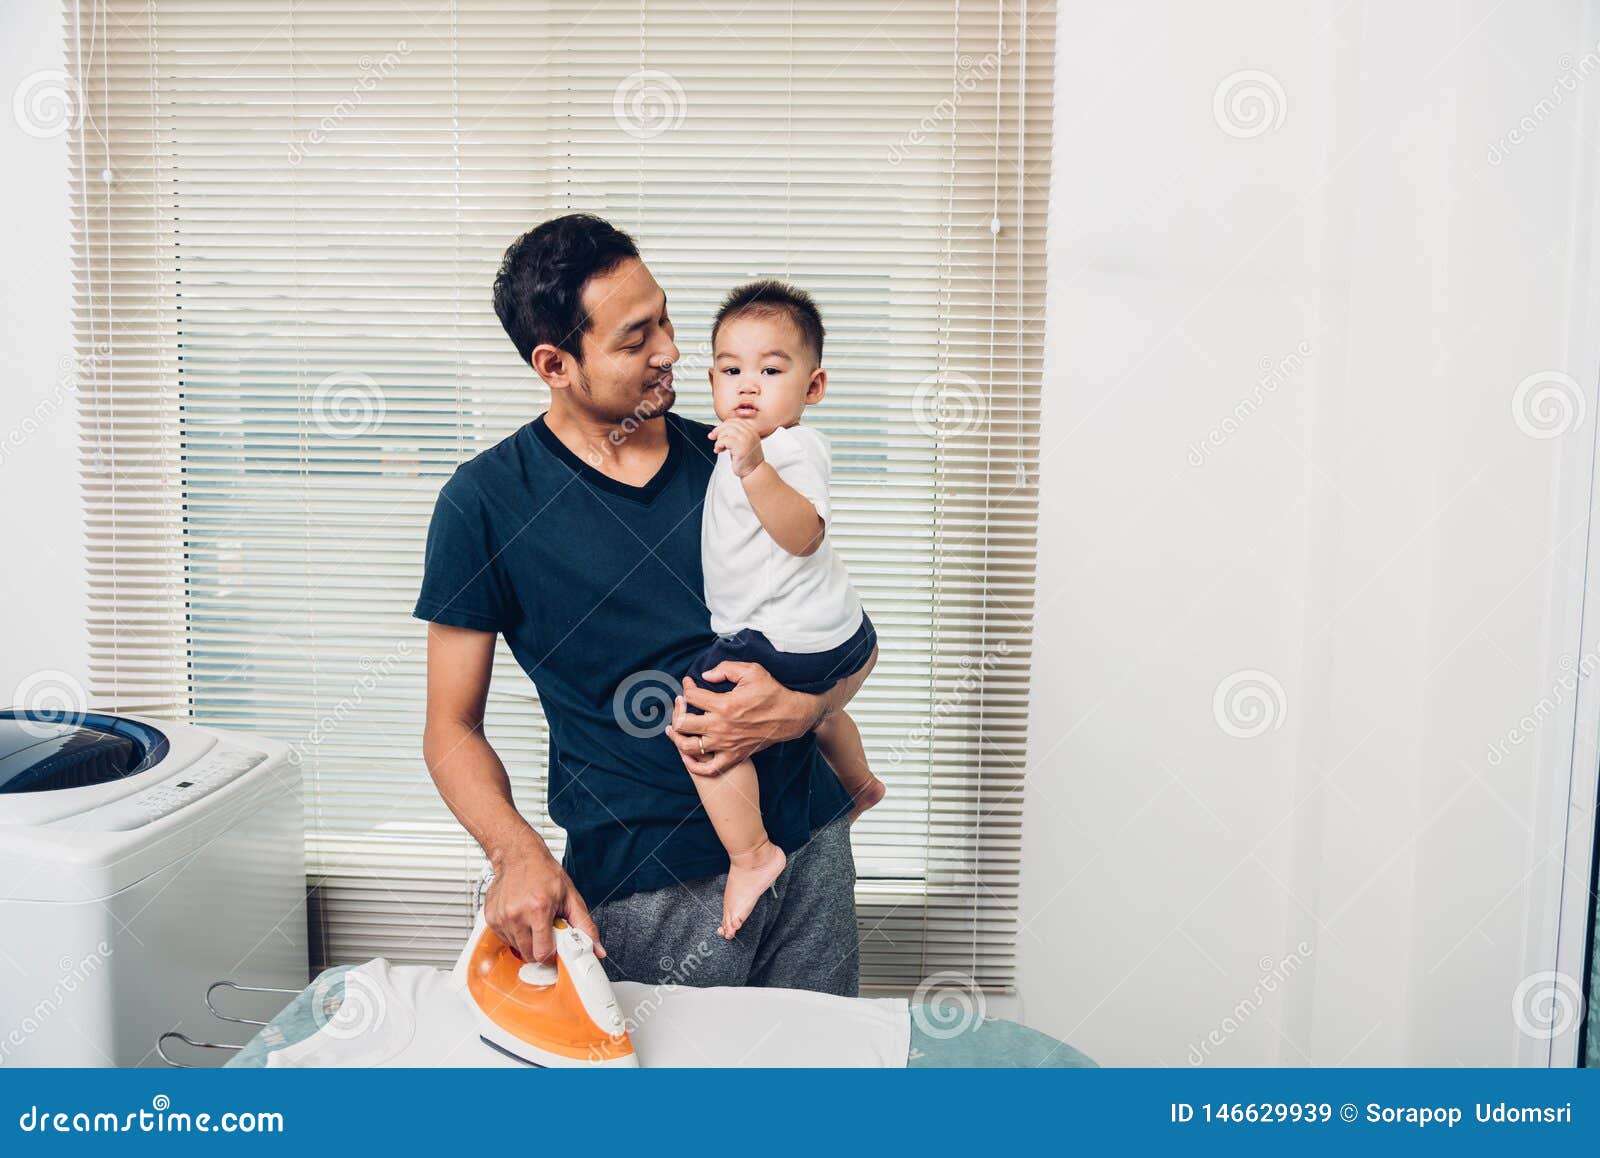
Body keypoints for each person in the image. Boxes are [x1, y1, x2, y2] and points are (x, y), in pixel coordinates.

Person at [415, 213, 869, 995]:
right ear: (556, 364)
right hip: (649, 888)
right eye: (635, 339)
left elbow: (848, 637)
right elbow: (450, 728)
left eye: (664, 318)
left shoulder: (737, 458)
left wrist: (804, 709)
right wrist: (514, 850)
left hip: (811, 849)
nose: (671, 351)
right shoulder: (484, 503)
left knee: (820, 1074)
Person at [686, 280, 885, 939]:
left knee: (698, 728)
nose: (748, 385)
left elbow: (803, 535)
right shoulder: (741, 442)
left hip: (785, 638)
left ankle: (752, 855)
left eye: (771, 371)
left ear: (813, 387)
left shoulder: (790, 448)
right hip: (838, 631)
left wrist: (754, 468)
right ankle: (858, 783)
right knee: (826, 717)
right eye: (731, 370)